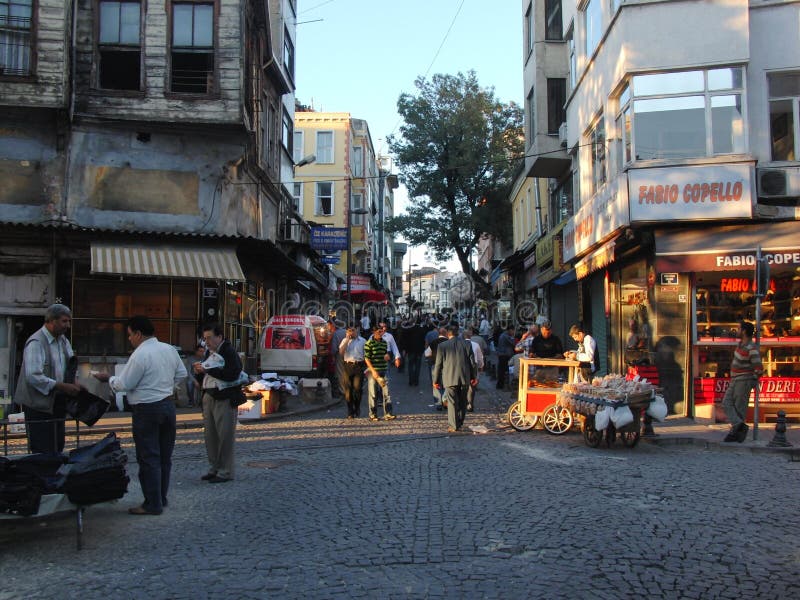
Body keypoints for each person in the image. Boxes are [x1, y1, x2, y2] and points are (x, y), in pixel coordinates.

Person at [93, 316, 186, 515]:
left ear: (138, 333)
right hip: (167, 405)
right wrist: (168, 387)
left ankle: (152, 503)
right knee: (164, 456)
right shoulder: (169, 349)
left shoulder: (140, 354)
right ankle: (160, 497)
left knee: (149, 456)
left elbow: (124, 384)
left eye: (129, 335)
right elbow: (182, 373)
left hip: (146, 408)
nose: (129, 339)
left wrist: (108, 378)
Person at [14, 303, 84, 455]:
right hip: (38, 406)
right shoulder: (36, 342)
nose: (68, 325)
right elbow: (33, 376)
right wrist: (61, 386)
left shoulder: (63, 341)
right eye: (64, 321)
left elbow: (71, 365)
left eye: (69, 321)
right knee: (43, 450)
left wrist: (75, 382)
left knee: (57, 446)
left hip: (57, 404)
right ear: (52, 321)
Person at [193, 323, 243, 484]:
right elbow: (206, 375)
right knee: (211, 435)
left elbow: (233, 374)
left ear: (219, 337)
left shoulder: (228, 351)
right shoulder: (209, 352)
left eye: (209, 338)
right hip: (209, 394)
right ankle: (214, 467)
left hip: (224, 397)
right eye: (205, 338)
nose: (206, 342)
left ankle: (225, 471)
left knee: (225, 435)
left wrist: (208, 370)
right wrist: (199, 372)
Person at [722, 321, 762, 443]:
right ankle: (740, 426)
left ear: (744, 331)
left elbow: (759, 368)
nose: (737, 331)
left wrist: (752, 381)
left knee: (739, 408)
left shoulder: (751, 348)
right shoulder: (740, 345)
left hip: (743, 381)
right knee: (726, 403)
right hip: (734, 379)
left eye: (739, 329)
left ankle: (735, 433)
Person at [433, 325, 477, 432]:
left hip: (449, 378)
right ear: (458, 333)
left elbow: (438, 365)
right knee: (463, 401)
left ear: (448, 334)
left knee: (452, 402)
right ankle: (460, 421)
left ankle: (453, 425)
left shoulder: (442, 346)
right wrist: (473, 376)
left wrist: (435, 380)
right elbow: (472, 363)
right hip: (464, 377)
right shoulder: (467, 344)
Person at [364, 325, 396, 421]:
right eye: (379, 332)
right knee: (373, 393)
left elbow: (386, 354)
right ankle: (373, 414)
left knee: (387, 393)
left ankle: (388, 413)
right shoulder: (369, 343)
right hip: (373, 371)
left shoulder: (384, 342)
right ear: (373, 332)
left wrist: (387, 356)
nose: (380, 334)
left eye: (381, 332)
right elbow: (367, 359)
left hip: (384, 369)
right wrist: (373, 371)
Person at [338, 326, 367, 418]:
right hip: (348, 365)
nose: (351, 332)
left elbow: (366, 355)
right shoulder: (344, 341)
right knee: (348, 389)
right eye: (349, 330)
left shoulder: (363, 341)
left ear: (356, 330)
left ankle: (357, 407)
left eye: (353, 330)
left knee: (358, 388)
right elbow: (341, 353)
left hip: (359, 365)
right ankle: (350, 411)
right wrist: (347, 340)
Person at [424, 327, 448, 410]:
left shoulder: (434, 342)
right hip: (447, 366)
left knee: (436, 384)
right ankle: (445, 400)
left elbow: (426, 353)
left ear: (439, 334)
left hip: (435, 365)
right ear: (446, 334)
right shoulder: (449, 342)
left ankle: (438, 403)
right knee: (446, 384)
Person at [463, 327, 484, 412]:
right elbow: (480, 357)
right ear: (470, 336)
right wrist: (481, 366)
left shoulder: (459, 344)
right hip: (473, 368)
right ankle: (470, 403)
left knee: (463, 386)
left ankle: (464, 402)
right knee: (472, 387)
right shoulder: (475, 345)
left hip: (462, 367)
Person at [402, 320, 427, 386]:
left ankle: (411, 381)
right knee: (418, 366)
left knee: (410, 366)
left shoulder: (408, 330)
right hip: (419, 350)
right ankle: (416, 381)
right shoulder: (421, 330)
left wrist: (405, 350)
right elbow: (424, 340)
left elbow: (406, 341)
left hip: (410, 350)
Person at [496, 325, 516, 389]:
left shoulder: (503, 335)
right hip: (504, 355)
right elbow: (513, 343)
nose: (514, 332)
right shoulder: (506, 336)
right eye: (513, 331)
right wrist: (513, 337)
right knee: (503, 371)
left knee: (502, 370)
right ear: (510, 330)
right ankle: (501, 385)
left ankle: (501, 385)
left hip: (502, 354)